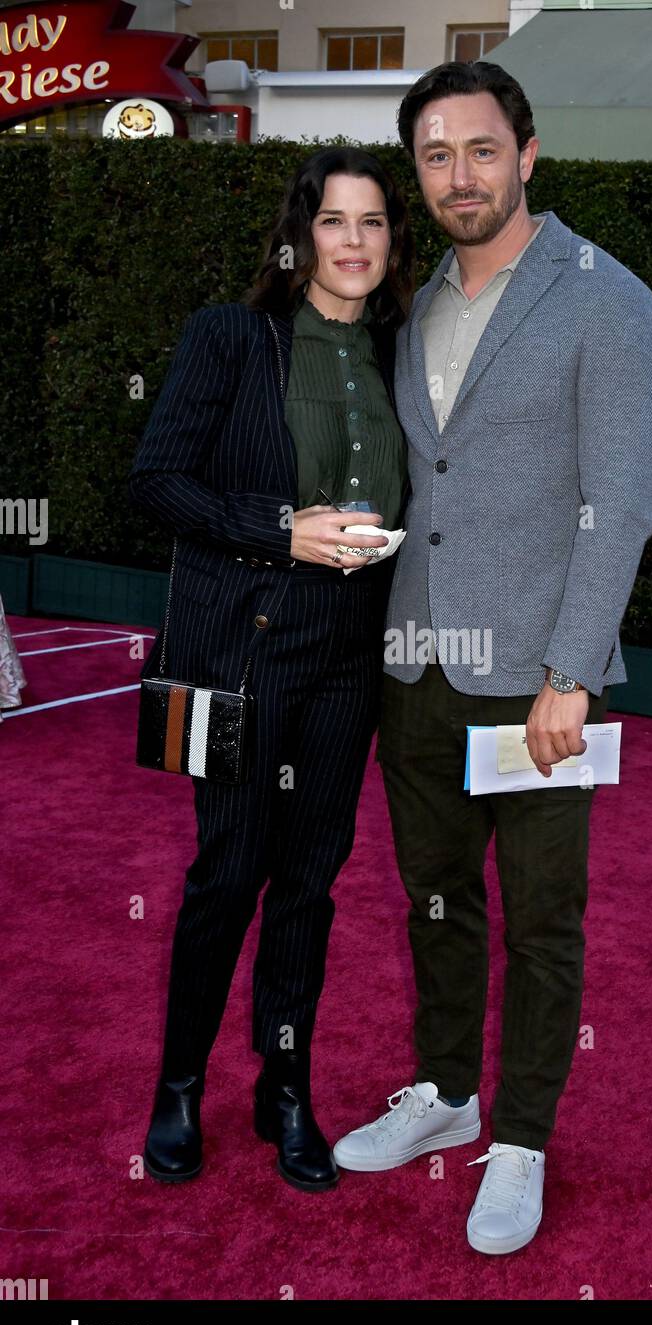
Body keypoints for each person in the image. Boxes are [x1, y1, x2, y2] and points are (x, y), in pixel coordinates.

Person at [332, 62, 652, 1253]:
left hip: (535, 684)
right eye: (433, 155)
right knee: (433, 902)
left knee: (540, 923)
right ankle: (446, 1096)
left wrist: (571, 672)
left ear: (527, 154)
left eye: (479, 149)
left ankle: (518, 1137)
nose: (457, 175)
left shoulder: (605, 299)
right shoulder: (413, 299)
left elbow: (619, 502)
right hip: (413, 666)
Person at [129, 148, 414, 1191]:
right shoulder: (232, 337)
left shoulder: (400, 353)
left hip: (349, 657)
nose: (352, 242)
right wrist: (277, 530)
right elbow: (156, 479)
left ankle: (283, 1087)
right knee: (226, 873)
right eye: (332, 220)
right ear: (298, 237)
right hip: (244, 648)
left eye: (373, 222)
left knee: (309, 881)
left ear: (392, 241)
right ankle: (179, 1086)